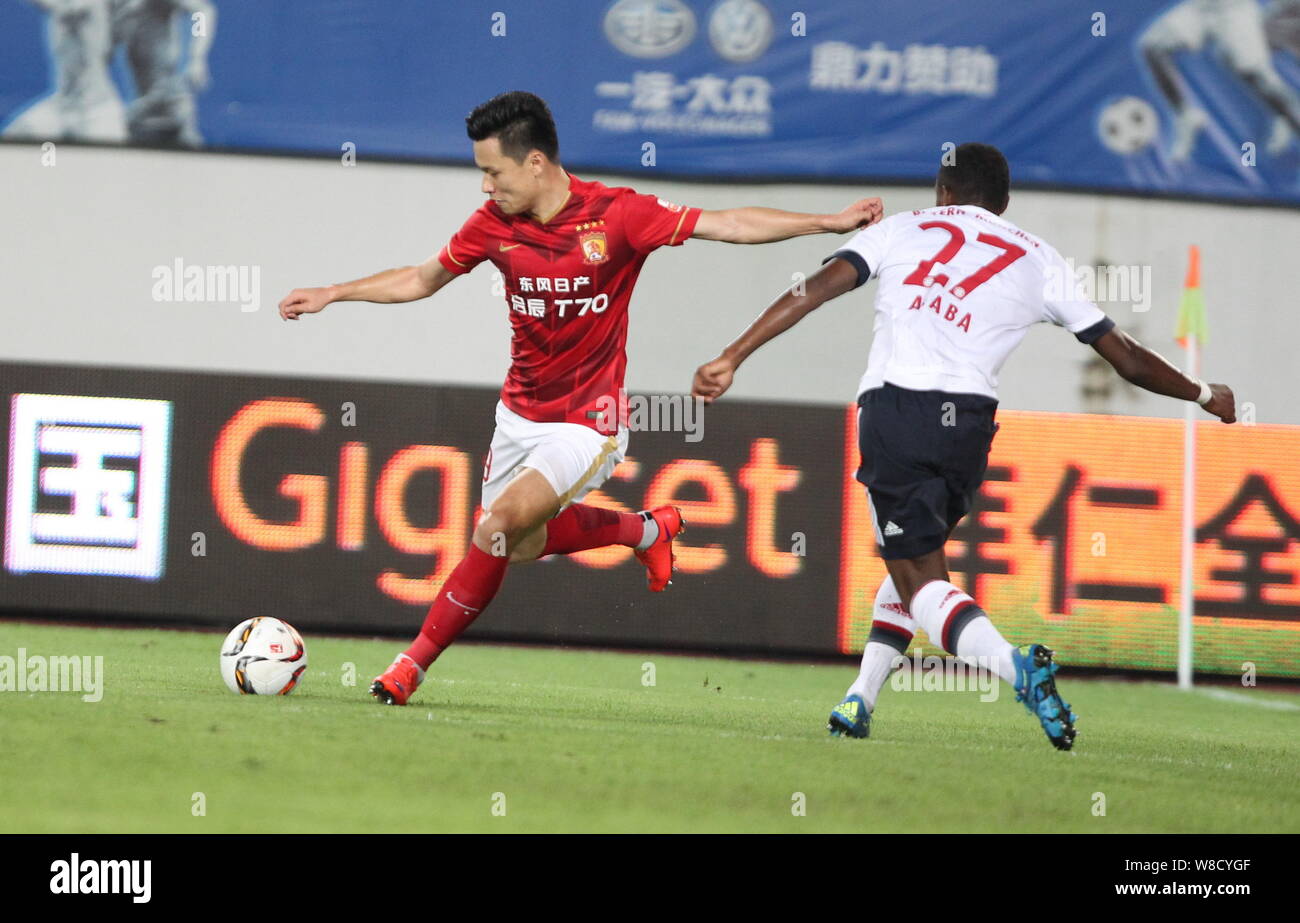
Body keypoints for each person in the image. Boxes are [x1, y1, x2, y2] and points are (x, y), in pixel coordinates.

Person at [278, 91, 883, 706]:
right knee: (520, 544)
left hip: (589, 420)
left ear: (535, 162)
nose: (486, 187)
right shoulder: (493, 225)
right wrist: (335, 291)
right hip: (517, 417)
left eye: (493, 171)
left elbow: (725, 223)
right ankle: (642, 531)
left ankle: (410, 666)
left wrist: (826, 224)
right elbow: (419, 279)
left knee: (496, 526)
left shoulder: (618, 214)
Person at [692, 143, 1236, 750]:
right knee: (918, 560)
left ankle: (1013, 666)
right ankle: (860, 698)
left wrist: (732, 355)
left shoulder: (902, 229)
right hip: (971, 424)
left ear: (941, 192)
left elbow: (812, 291)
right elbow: (1126, 357)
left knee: (919, 576)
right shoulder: (1038, 256)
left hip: (897, 407)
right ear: (1002, 205)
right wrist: (1203, 392)